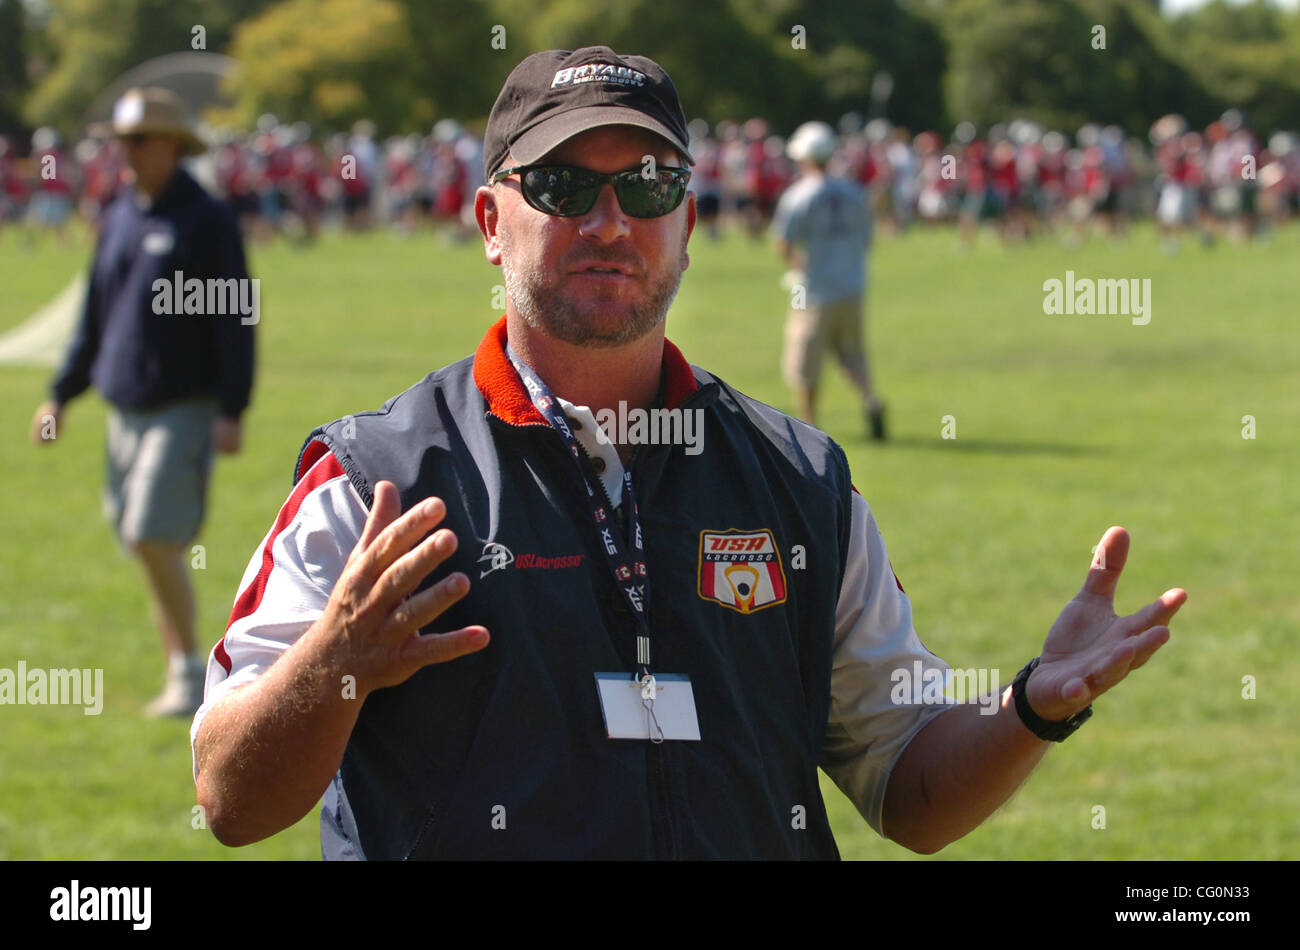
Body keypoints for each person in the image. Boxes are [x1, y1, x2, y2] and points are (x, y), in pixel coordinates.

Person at [191, 47, 1185, 859]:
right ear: (492, 222)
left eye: (649, 184)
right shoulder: (377, 479)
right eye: (563, 184)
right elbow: (229, 797)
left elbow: (910, 790)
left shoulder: (797, 478)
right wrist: (337, 663)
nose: (609, 220)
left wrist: (1028, 705)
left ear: (690, 224)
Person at [30, 87, 255, 717]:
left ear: (170, 144)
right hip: (121, 411)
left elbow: (236, 318)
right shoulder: (120, 215)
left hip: (183, 408)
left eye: (136, 140)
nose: (123, 152)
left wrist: (233, 408)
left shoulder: (206, 220)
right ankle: (182, 667)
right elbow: (95, 317)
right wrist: (60, 395)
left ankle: (191, 676)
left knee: (151, 535)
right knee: (144, 543)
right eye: (119, 141)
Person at [772, 120, 885, 438]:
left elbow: (782, 244)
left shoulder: (798, 195)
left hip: (815, 292)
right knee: (852, 353)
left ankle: (809, 426)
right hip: (852, 286)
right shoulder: (854, 192)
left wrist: (800, 264)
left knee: (806, 361)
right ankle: (871, 400)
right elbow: (867, 240)